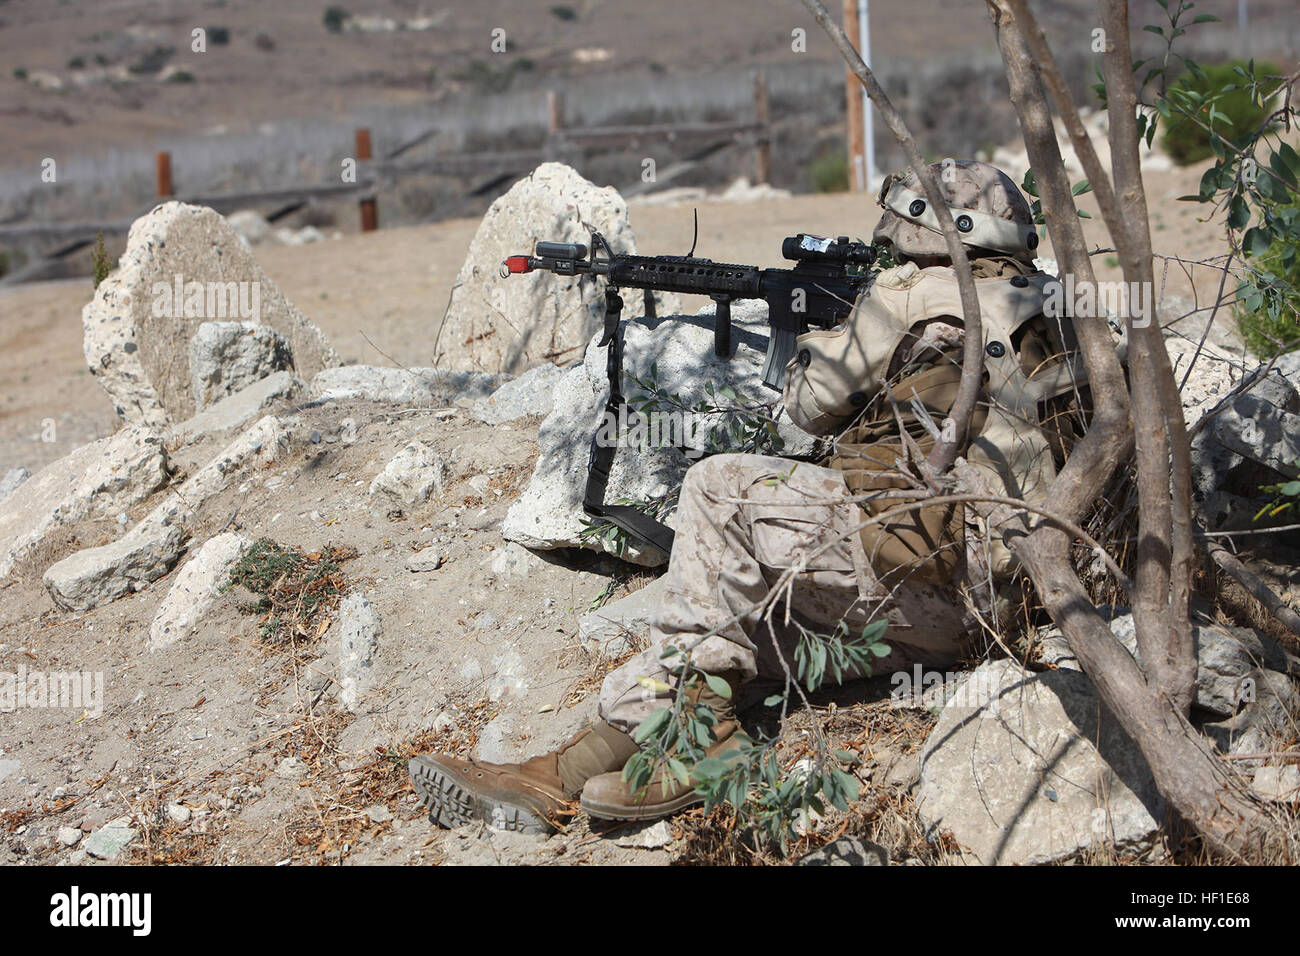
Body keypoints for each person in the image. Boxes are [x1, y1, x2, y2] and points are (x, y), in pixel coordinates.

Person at [409, 160, 1093, 834]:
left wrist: (845, 329)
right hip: (1000, 611)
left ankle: (712, 750)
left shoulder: (917, 295)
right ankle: (562, 775)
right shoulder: (1061, 306)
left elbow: (806, 408)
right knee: (733, 631)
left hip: (933, 575)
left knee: (721, 487)